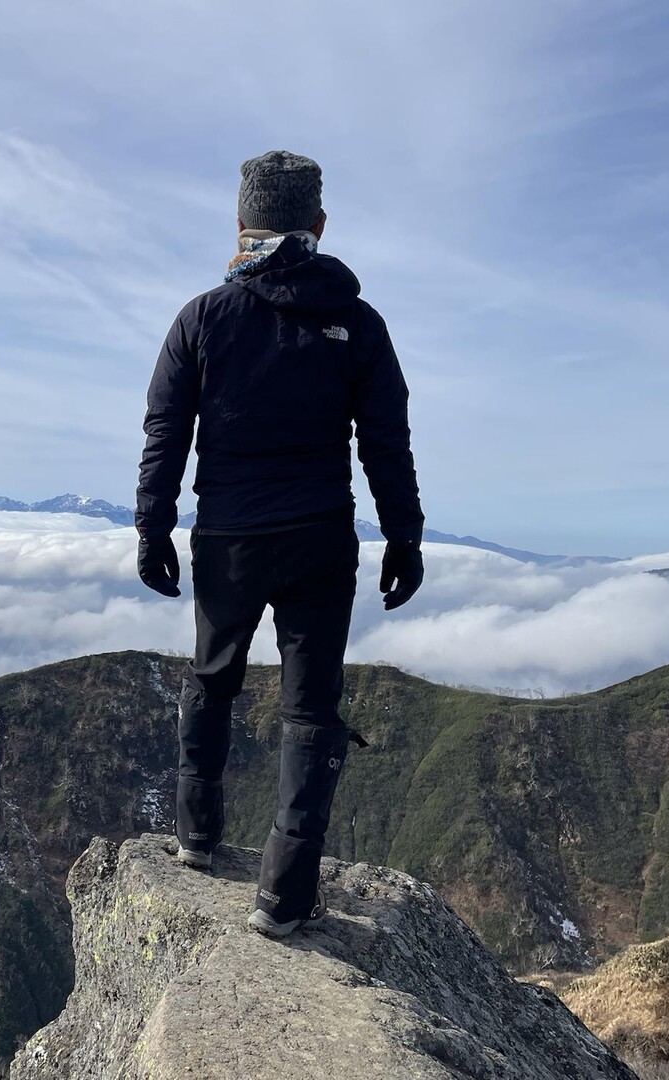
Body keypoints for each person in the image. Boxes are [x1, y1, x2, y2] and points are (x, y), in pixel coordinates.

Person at [134, 150, 425, 938]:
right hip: (320, 539)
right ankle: (283, 899)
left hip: (227, 536)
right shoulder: (358, 325)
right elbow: (385, 441)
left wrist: (152, 525)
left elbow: (168, 430)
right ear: (320, 226)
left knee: (214, 674)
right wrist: (405, 534)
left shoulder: (201, 318)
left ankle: (197, 837)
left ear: (239, 225)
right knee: (309, 708)